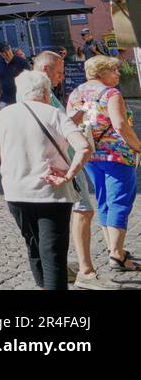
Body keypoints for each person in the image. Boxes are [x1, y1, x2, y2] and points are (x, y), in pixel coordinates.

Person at [0, 70, 90, 290]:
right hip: (53, 193)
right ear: (46, 93)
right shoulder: (54, 114)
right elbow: (84, 147)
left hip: (16, 193)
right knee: (53, 254)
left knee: (33, 246)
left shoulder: (2, 116)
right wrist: (69, 175)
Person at [31, 52, 113, 289]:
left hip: (61, 163)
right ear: (46, 70)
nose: (62, 77)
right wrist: (76, 117)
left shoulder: (39, 91)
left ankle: (62, 267)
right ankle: (86, 272)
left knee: (61, 217)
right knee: (83, 210)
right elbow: (51, 127)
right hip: (63, 165)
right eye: (59, 72)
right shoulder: (40, 94)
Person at [66, 55, 141, 274]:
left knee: (104, 200)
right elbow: (120, 126)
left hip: (91, 156)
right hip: (116, 156)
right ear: (102, 73)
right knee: (119, 200)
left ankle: (112, 247)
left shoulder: (76, 93)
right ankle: (117, 256)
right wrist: (138, 146)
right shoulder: (111, 94)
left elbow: (69, 123)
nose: (118, 74)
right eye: (114, 71)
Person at [0, 43, 28, 110]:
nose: (7, 54)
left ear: (10, 48)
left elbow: (30, 80)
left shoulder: (22, 62)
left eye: (8, 51)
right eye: (4, 52)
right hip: (4, 99)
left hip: (20, 99)